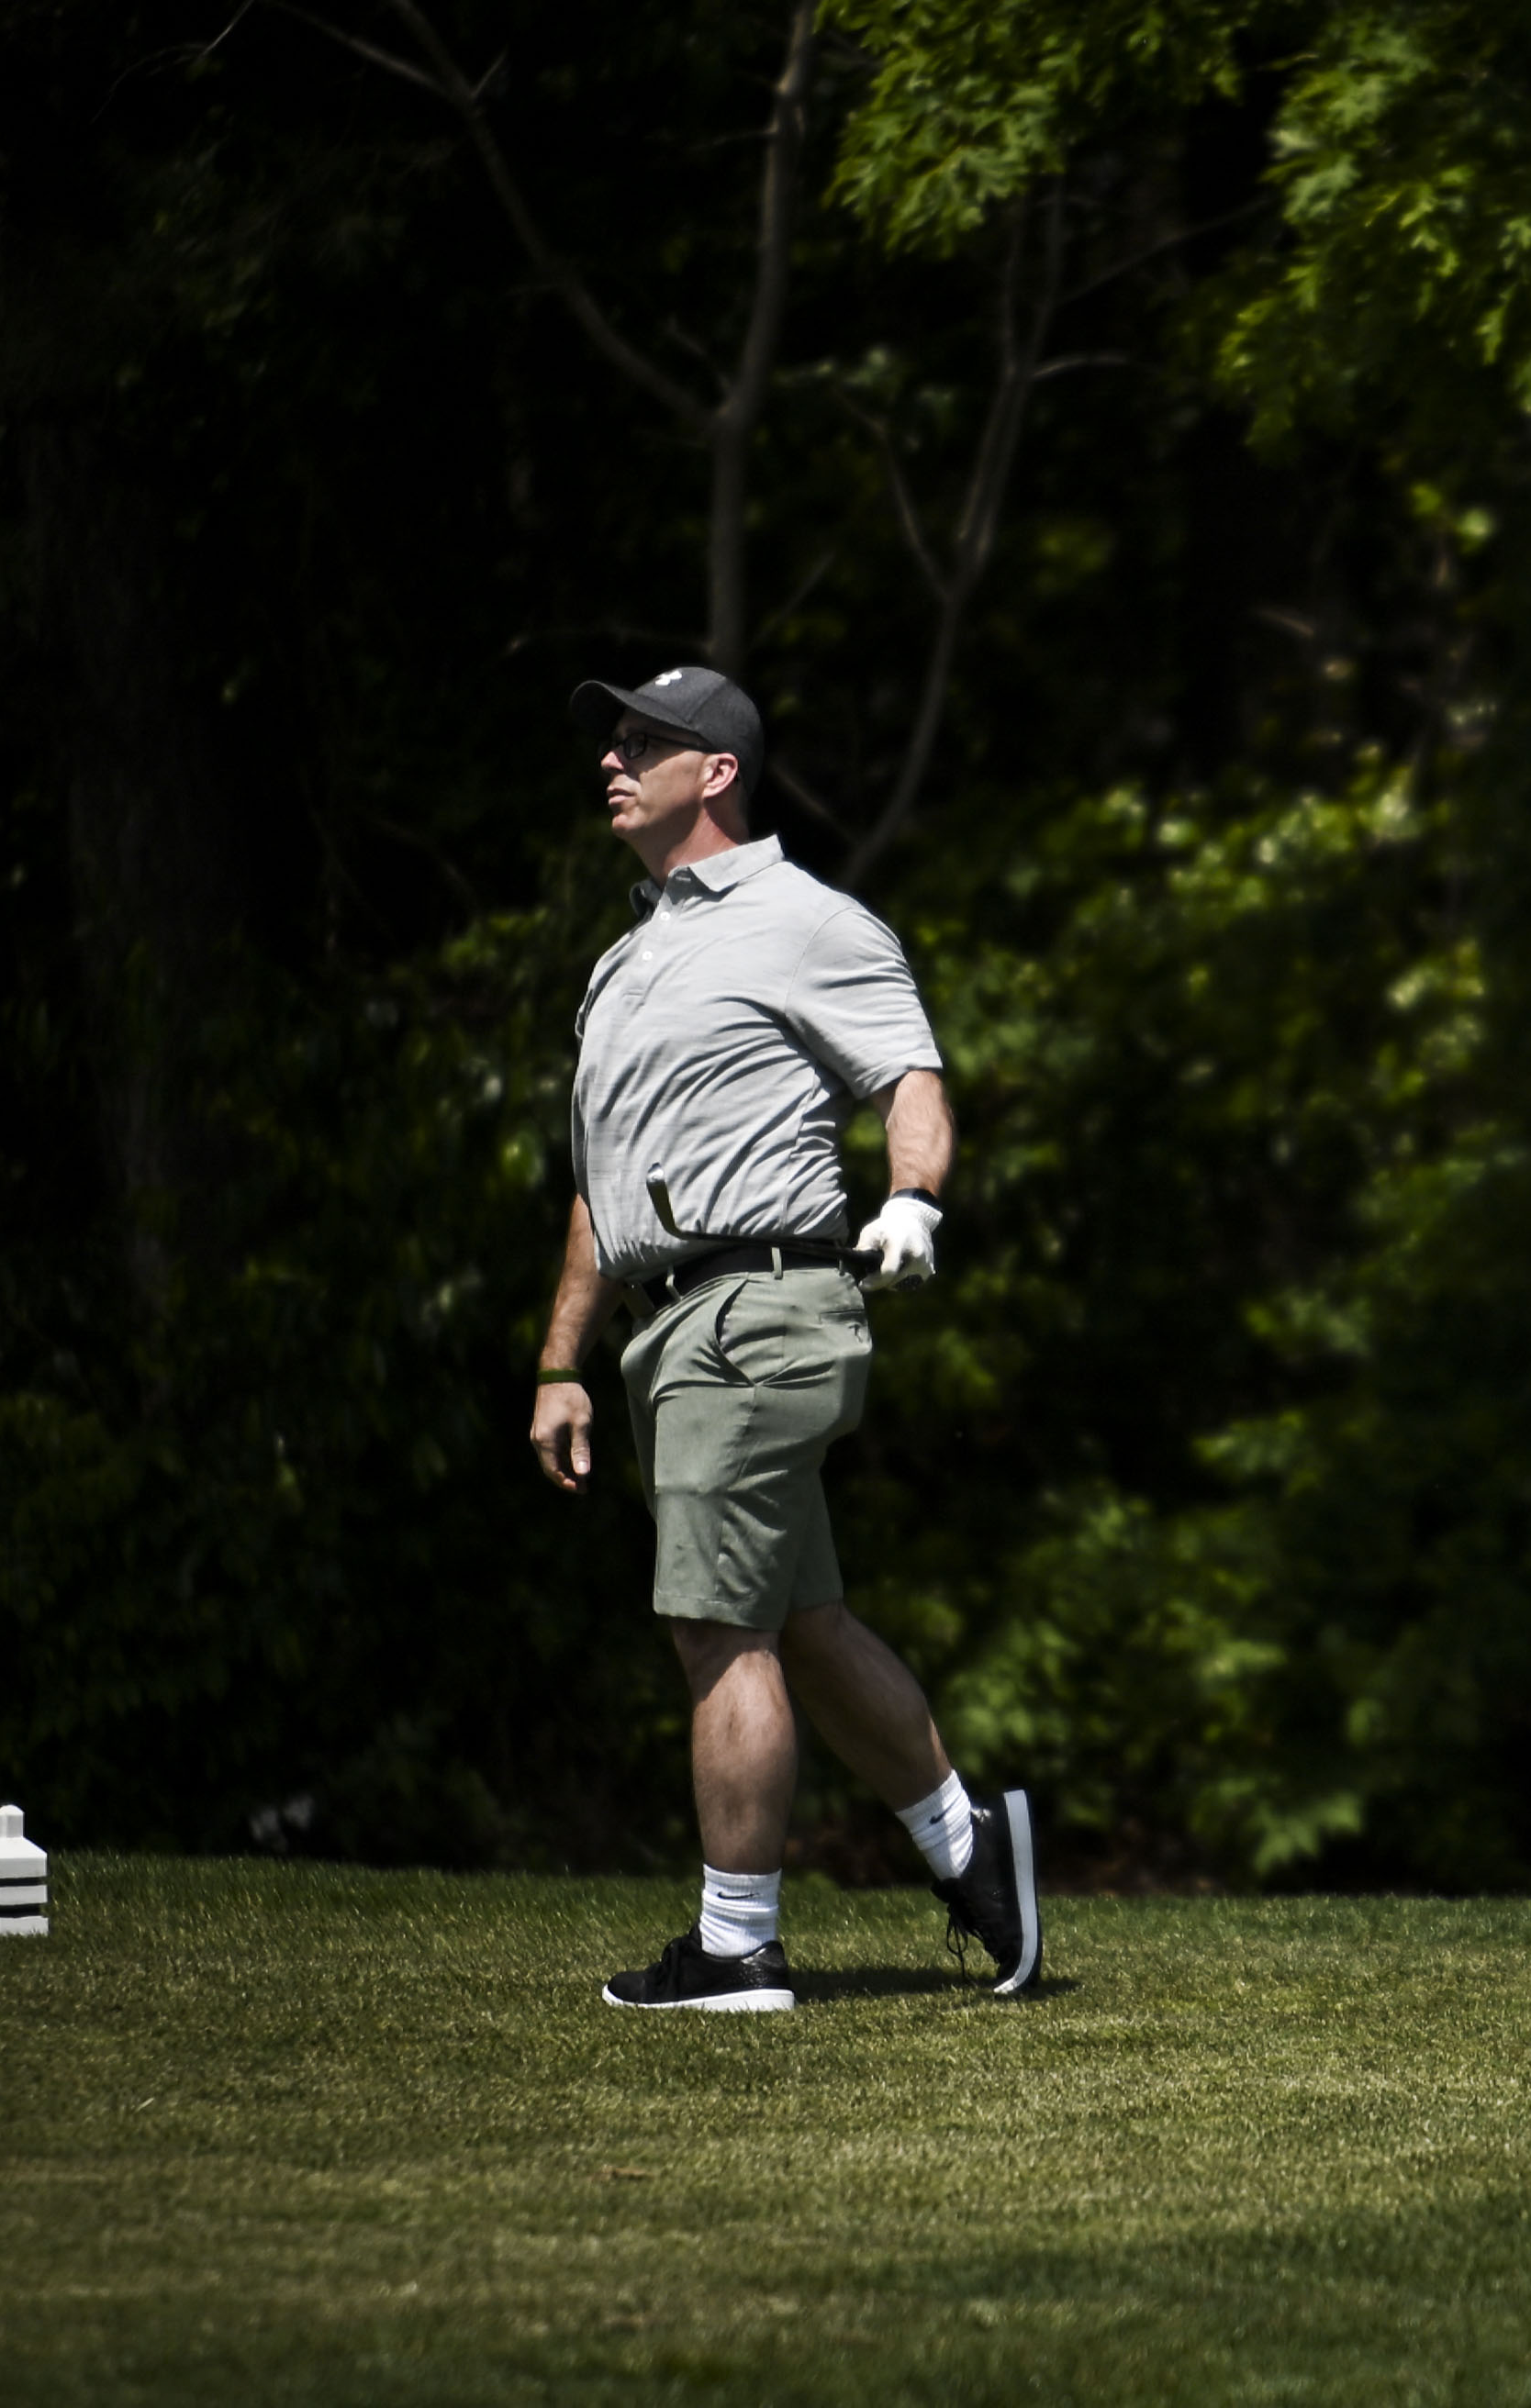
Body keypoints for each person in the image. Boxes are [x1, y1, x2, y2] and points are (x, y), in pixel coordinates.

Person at [527, 664, 1041, 2011]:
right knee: (801, 1621)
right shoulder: (624, 964)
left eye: (645, 741)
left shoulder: (807, 921)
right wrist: (559, 1362)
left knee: (715, 1630)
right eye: (613, 742)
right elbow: (602, 1185)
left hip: (760, 1307)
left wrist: (916, 1198)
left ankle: (739, 1944)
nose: (614, 760)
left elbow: (908, 1076)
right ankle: (967, 1849)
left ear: (720, 772)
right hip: (666, 1328)